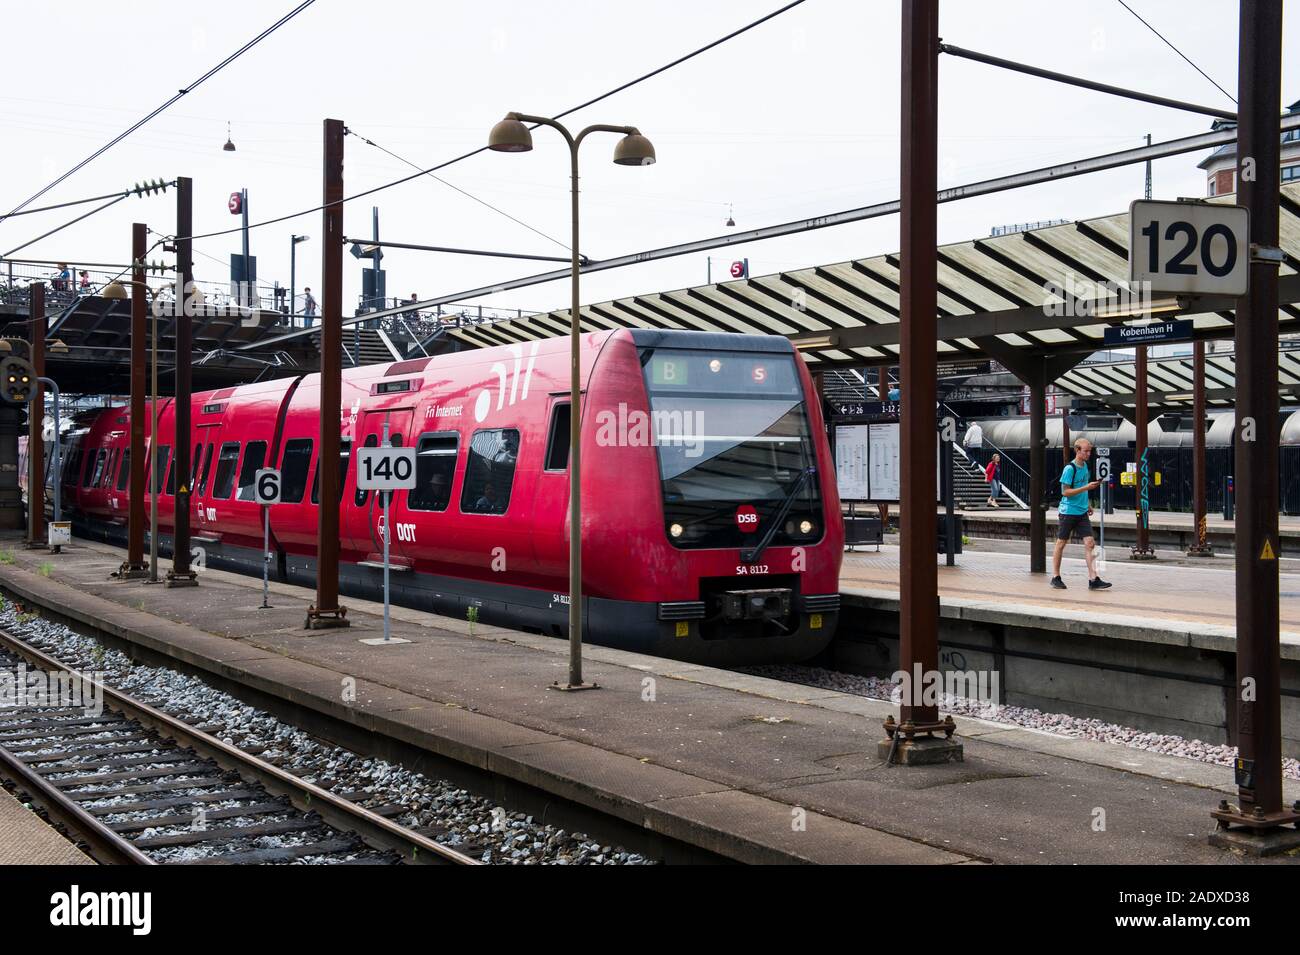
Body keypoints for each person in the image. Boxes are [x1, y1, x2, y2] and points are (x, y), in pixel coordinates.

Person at [1051, 438, 1111, 590]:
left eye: (1090, 450)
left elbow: (1080, 489)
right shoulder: (1070, 468)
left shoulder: (1084, 467)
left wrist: (1088, 504)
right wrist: (1086, 488)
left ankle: (1093, 579)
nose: (1089, 453)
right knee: (1061, 543)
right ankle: (1055, 576)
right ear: (1077, 450)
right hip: (1068, 512)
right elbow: (1065, 492)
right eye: (1086, 451)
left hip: (1082, 511)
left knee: (1090, 543)